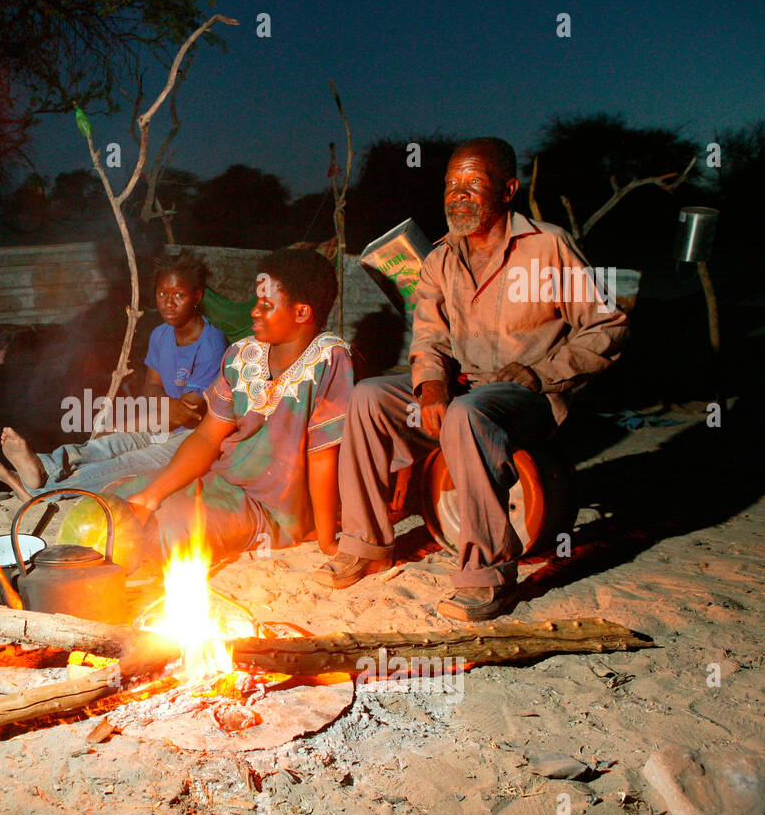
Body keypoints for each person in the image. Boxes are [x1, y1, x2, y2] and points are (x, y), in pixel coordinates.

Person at [326, 137, 630, 621]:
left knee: (469, 413)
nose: (458, 195)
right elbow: (429, 337)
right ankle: (366, 543)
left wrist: (539, 372)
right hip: (463, 387)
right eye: (451, 184)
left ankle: (487, 575)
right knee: (368, 396)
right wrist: (431, 385)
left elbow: (607, 325)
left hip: (527, 394)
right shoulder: (441, 257)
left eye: (473, 184)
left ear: (508, 189)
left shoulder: (546, 247)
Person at [116, 248, 354, 562]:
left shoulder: (330, 358)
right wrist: (152, 494)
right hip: (224, 483)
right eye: (256, 301)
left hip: (273, 509)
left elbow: (324, 455)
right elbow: (206, 437)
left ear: (302, 313)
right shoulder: (242, 354)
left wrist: (326, 540)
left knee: (170, 529)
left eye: (266, 305)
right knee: (119, 500)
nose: (254, 312)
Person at [0, 253, 228, 500]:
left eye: (179, 295)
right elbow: (153, 385)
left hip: (192, 439)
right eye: (162, 294)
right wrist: (158, 408)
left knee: (121, 465)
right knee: (105, 446)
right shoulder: (160, 335)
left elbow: (187, 411)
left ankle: (38, 490)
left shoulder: (212, 343)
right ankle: (43, 467)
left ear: (197, 297)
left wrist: (126, 424)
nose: (169, 303)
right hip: (159, 423)